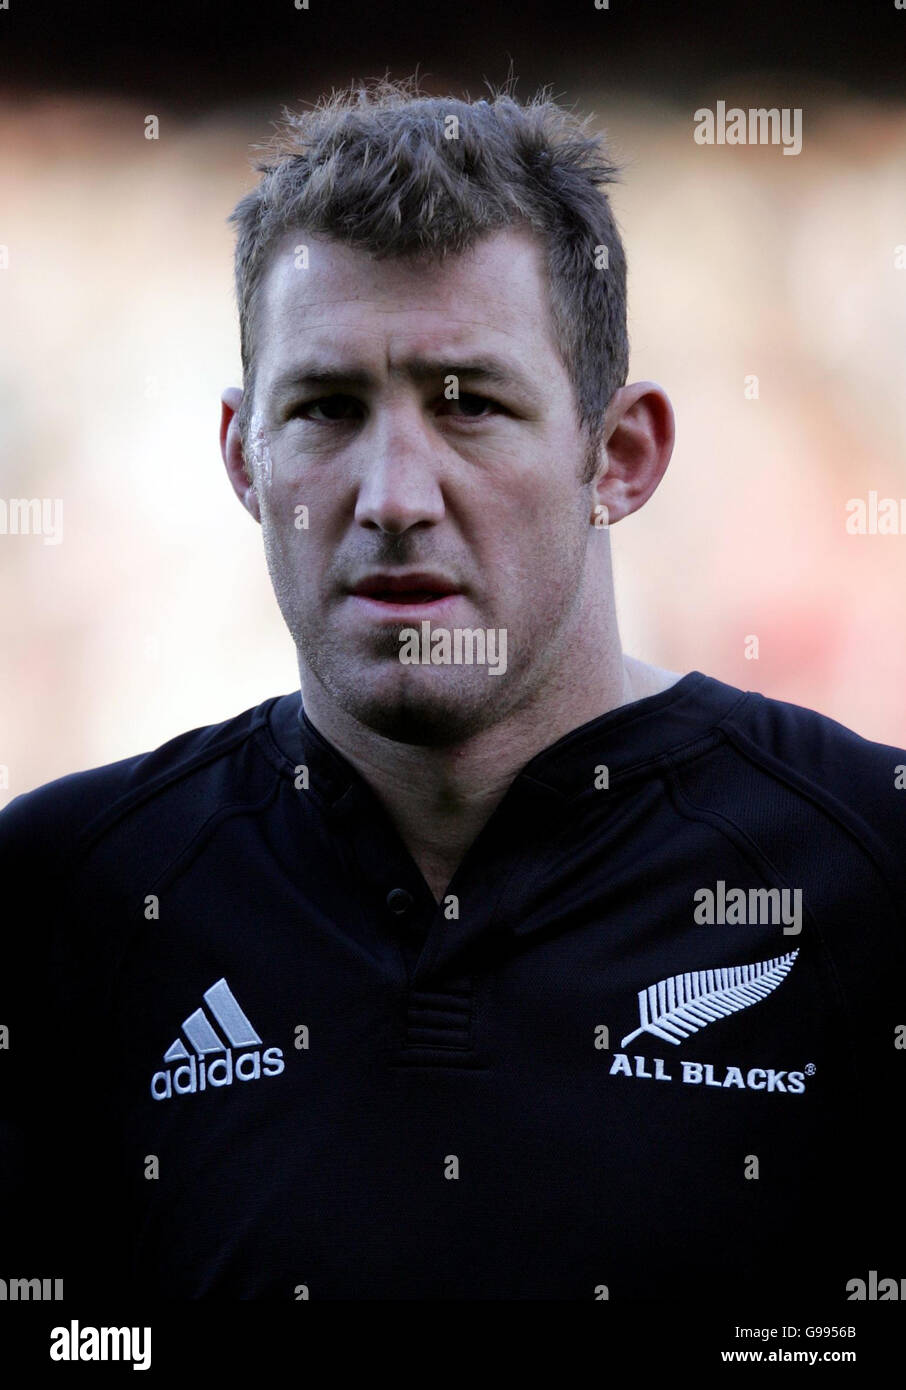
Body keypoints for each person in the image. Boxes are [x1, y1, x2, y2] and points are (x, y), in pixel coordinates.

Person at [1, 78, 903, 1302]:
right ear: (241, 460)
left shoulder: (867, 866)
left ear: (620, 454)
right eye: (325, 409)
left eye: (468, 405)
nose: (393, 497)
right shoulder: (67, 897)